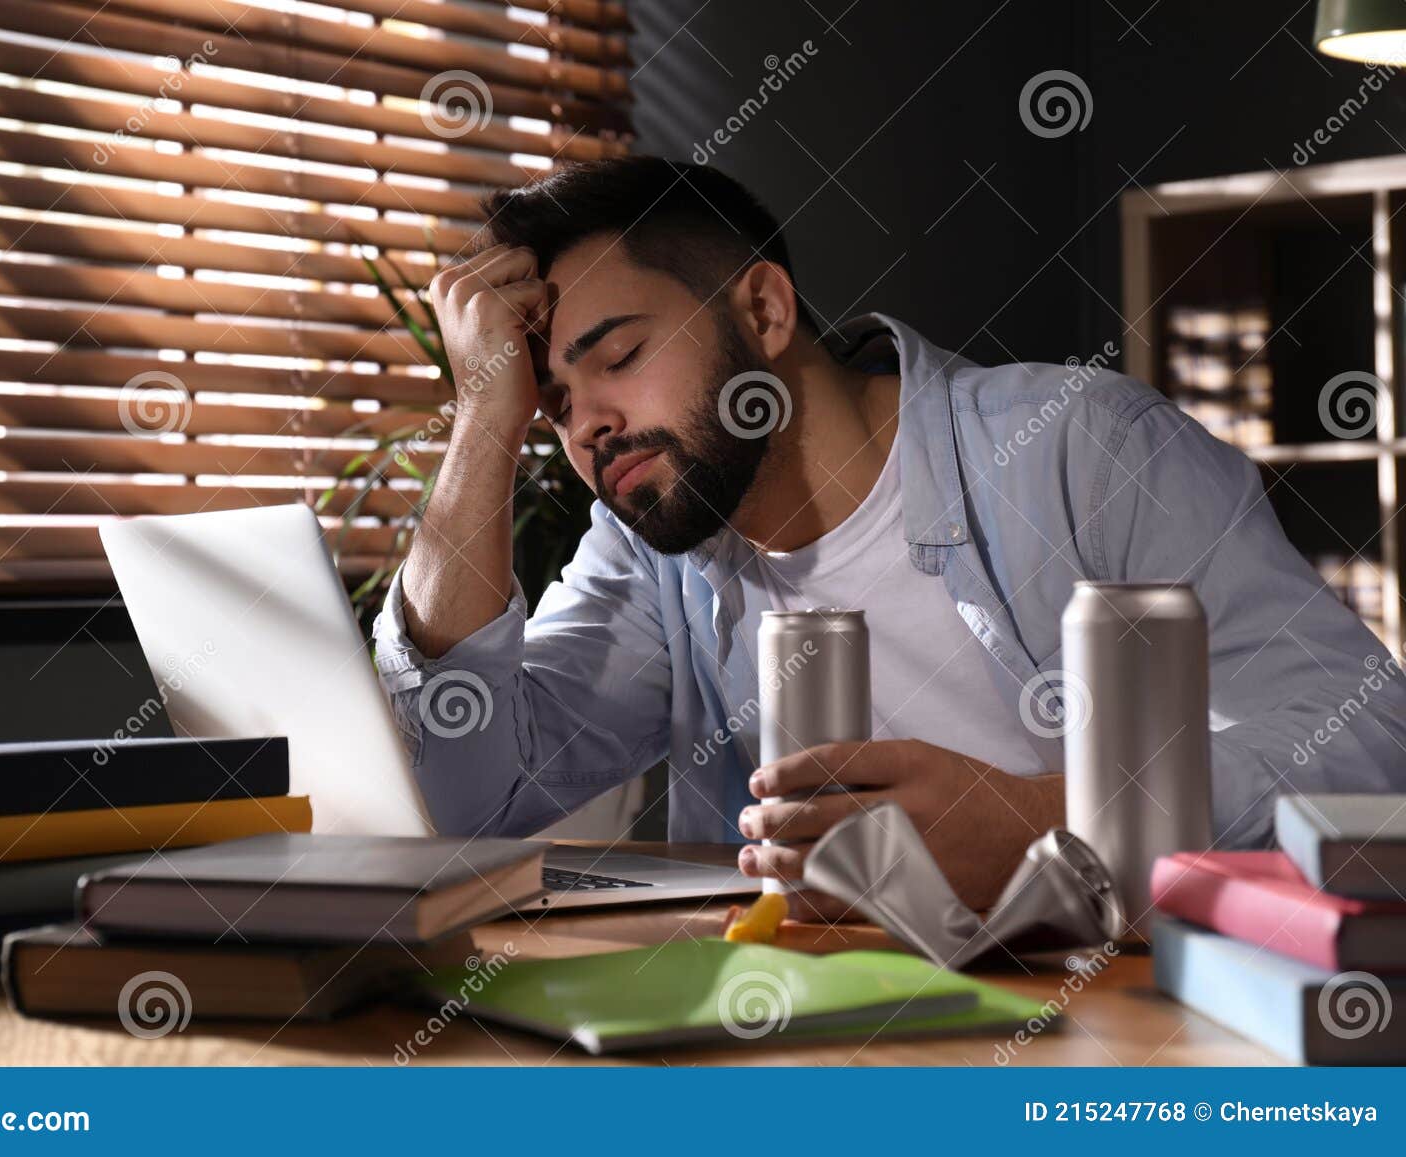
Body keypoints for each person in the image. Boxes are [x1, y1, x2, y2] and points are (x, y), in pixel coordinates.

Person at [371, 156, 1406, 914]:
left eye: (618, 353)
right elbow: (478, 790)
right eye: (550, 401)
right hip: (805, 1032)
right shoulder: (652, 546)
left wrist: (1054, 817)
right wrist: (480, 423)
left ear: (766, 309)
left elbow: (1366, 750)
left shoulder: (1079, 446)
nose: (586, 421)